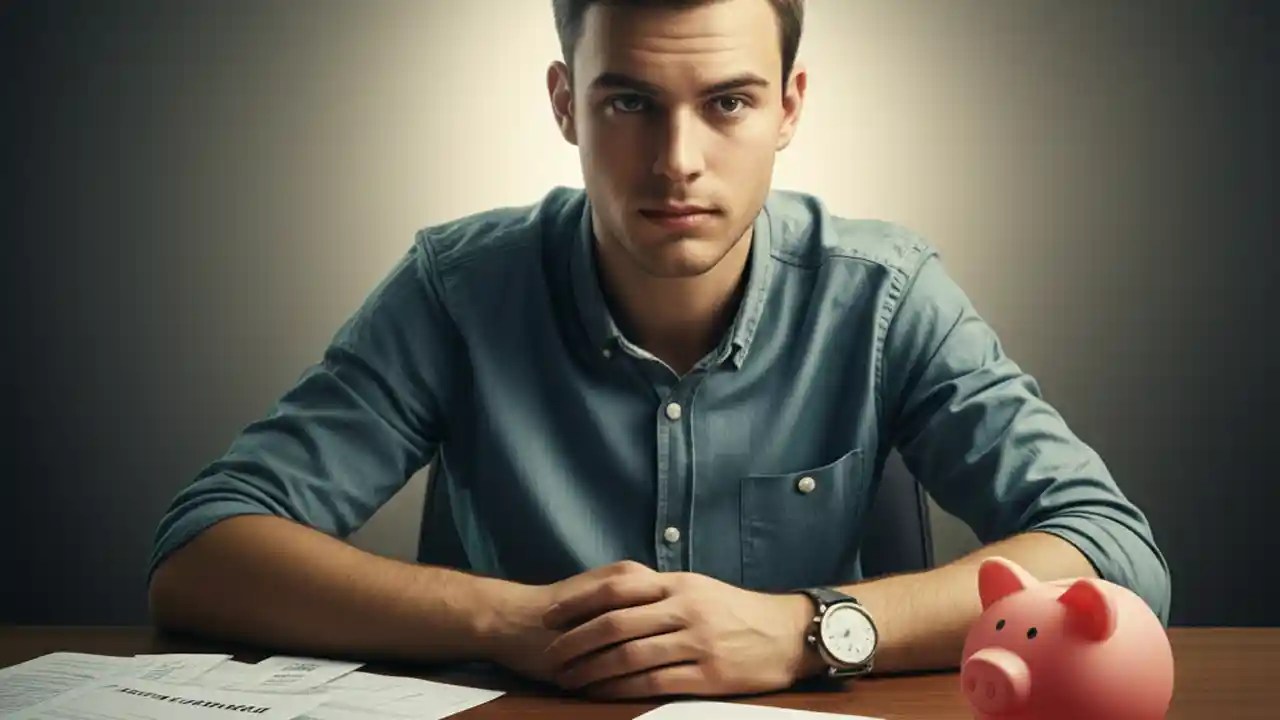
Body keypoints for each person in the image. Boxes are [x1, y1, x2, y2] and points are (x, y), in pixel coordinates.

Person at [147, 0, 1170, 701]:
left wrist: (804, 631)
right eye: (629, 102)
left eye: (726, 101)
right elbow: (203, 554)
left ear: (788, 107)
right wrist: (506, 622)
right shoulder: (456, 291)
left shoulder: (885, 295)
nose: (676, 162)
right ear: (564, 104)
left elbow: (1110, 554)